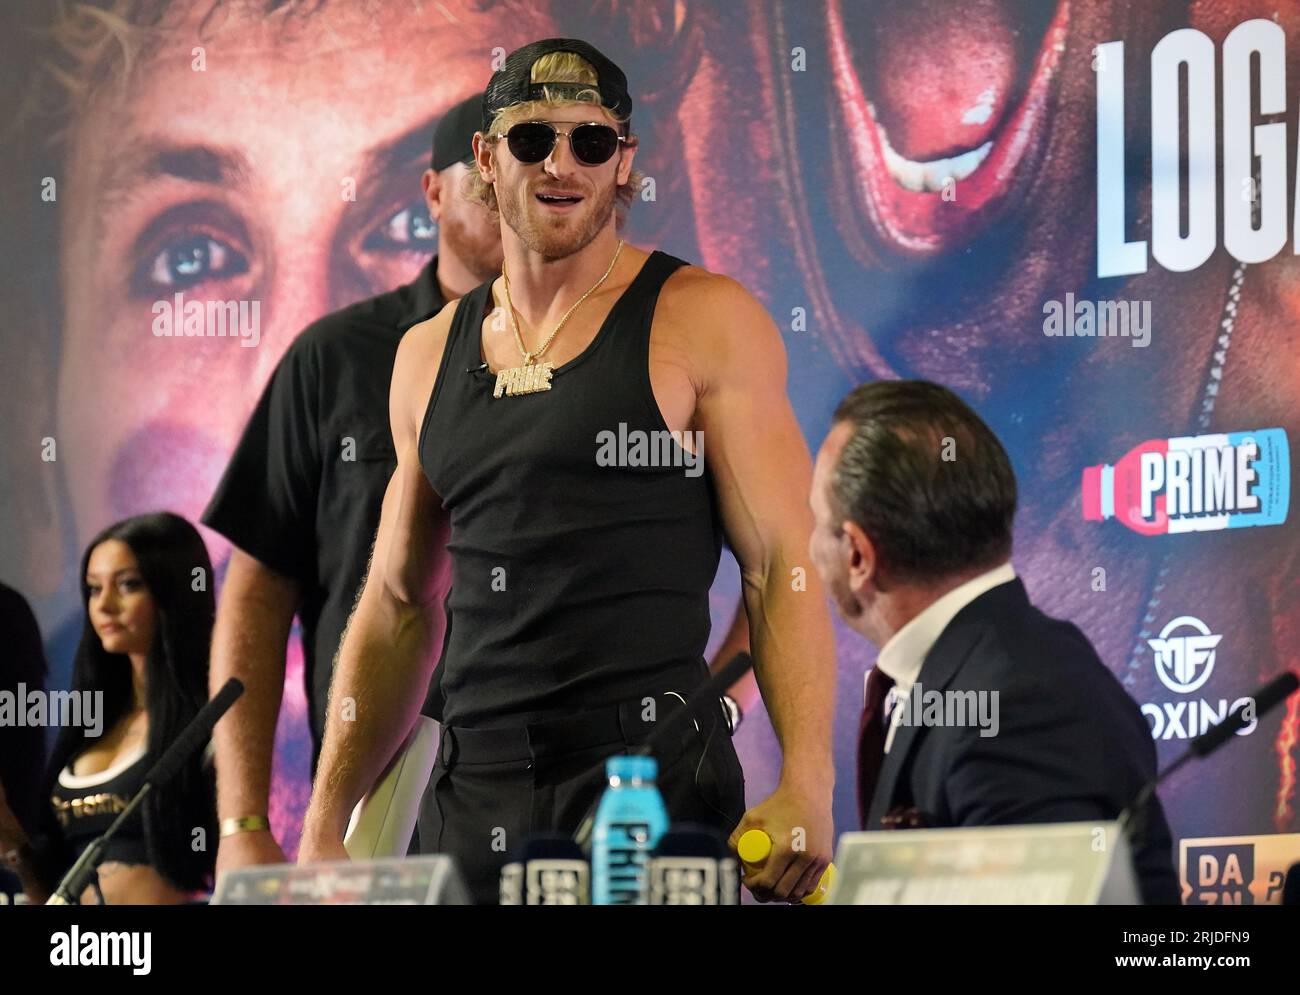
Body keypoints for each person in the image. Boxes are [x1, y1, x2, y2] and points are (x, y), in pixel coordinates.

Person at [297, 38, 835, 904]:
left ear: (625, 161)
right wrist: (327, 820)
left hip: (651, 785)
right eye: (531, 139)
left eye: (591, 142)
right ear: (484, 157)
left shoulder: (705, 320)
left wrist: (809, 778)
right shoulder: (426, 355)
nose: (561, 164)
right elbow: (398, 605)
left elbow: (782, 565)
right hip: (472, 791)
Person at [200, 93, 505, 875]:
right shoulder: (334, 358)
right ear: (433, 193)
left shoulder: (611, 357)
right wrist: (239, 819)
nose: (510, 204)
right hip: (379, 796)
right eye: (483, 182)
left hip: (569, 787)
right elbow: (258, 590)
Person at [807, 380, 1181, 904]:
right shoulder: (992, 666)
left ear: (858, 557)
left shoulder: (1018, 705)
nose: (809, 549)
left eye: (818, 524)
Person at [0, 513, 217, 904]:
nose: (105, 605)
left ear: (173, 590)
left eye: (128, 585)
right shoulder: (89, 723)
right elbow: (45, 878)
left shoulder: (209, 721)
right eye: (94, 589)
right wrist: (12, 839)